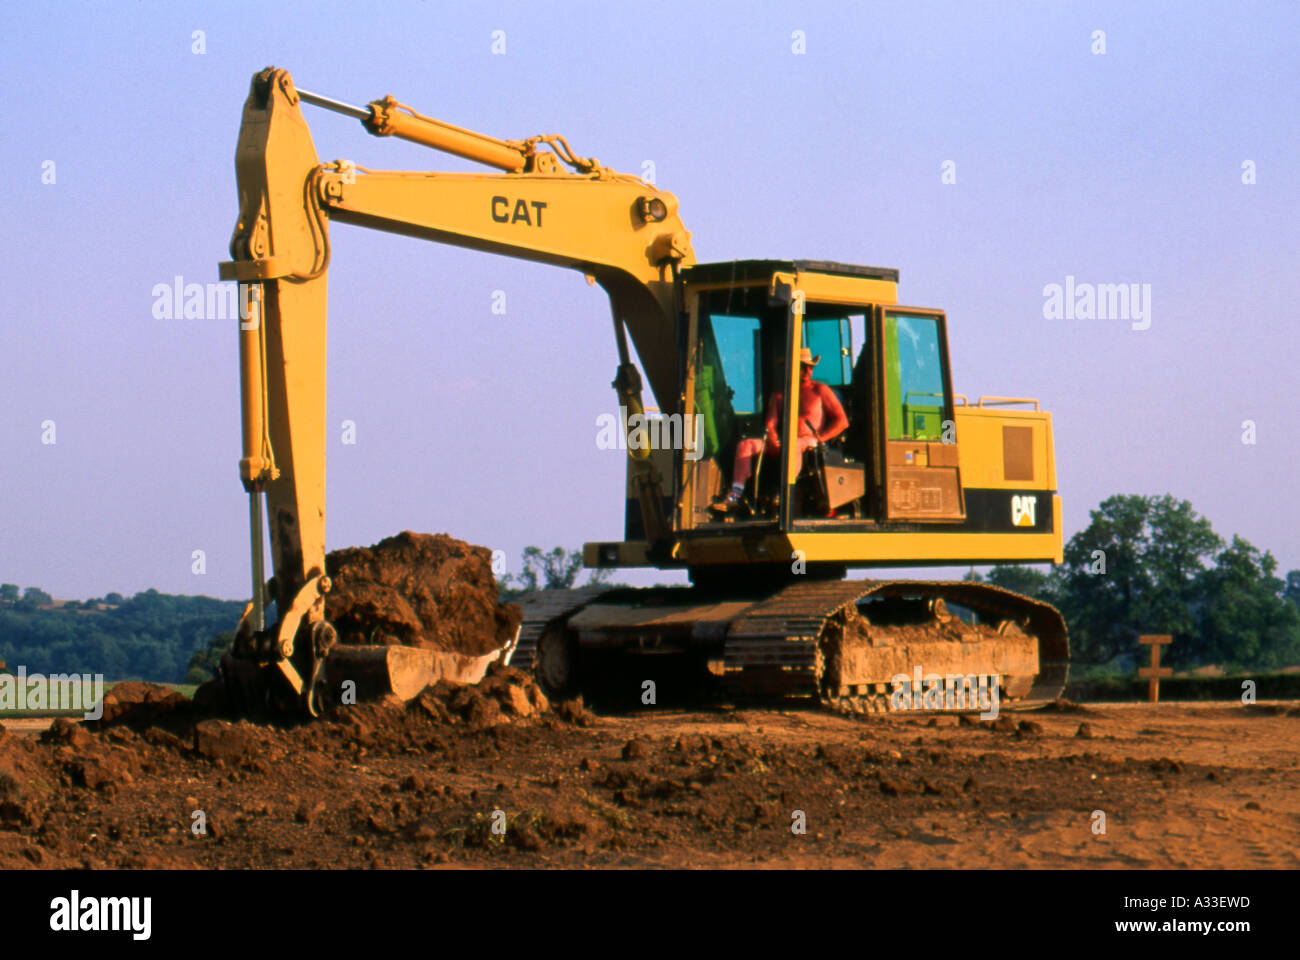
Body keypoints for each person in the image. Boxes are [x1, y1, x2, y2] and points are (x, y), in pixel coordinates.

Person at [711, 347, 849, 514]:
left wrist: (822, 438)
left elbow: (842, 421)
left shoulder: (820, 391)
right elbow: (770, 423)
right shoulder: (779, 395)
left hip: (810, 441)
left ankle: (787, 497)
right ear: (791, 367)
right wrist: (773, 439)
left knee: (796, 444)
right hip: (784, 441)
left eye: (810, 366)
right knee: (745, 445)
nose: (807, 370)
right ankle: (735, 496)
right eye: (802, 366)